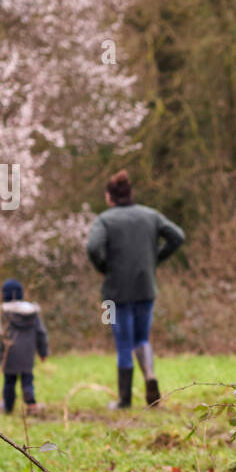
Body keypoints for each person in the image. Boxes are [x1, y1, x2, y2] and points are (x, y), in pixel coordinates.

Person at [85, 170, 185, 409]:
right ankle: (149, 375)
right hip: (145, 287)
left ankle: (124, 400)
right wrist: (155, 260)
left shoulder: (106, 220)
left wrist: (103, 267)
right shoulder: (150, 215)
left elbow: (92, 247)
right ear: (131, 194)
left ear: (110, 197)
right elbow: (177, 236)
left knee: (123, 344)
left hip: (117, 291)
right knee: (142, 338)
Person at [0, 279, 49, 414]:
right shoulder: (32, 313)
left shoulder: (2, 313)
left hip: (9, 354)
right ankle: (31, 405)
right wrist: (43, 352)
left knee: (9, 381)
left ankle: (8, 407)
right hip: (27, 354)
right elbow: (41, 333)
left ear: (4, 294)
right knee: (27, 380)